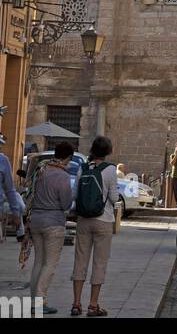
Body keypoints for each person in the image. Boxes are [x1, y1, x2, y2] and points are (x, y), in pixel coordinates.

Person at [71, 134, 120, 317]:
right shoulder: (110, 170)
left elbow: (75, 194)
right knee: (99, 263)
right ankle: (93, 305)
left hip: (83, 220)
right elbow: (114, 198)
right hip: (104, 220)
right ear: (107, 152)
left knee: (80, 261)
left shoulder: (82, 168)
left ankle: (76, 304)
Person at [26, 140, 74, 314]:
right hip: (53, 222)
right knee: (50, 264)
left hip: (36, 220)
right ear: (68, 157)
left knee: (38, 262)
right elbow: (66, 203)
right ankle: (40, 302)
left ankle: (33, 300)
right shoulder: (63, 176)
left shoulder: (41, 169)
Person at [0, 133, 25, 239]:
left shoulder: (3, 160)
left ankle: (21, 233)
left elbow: (10, 190)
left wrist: (15, 213)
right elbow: (10, 189)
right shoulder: (3, 161)